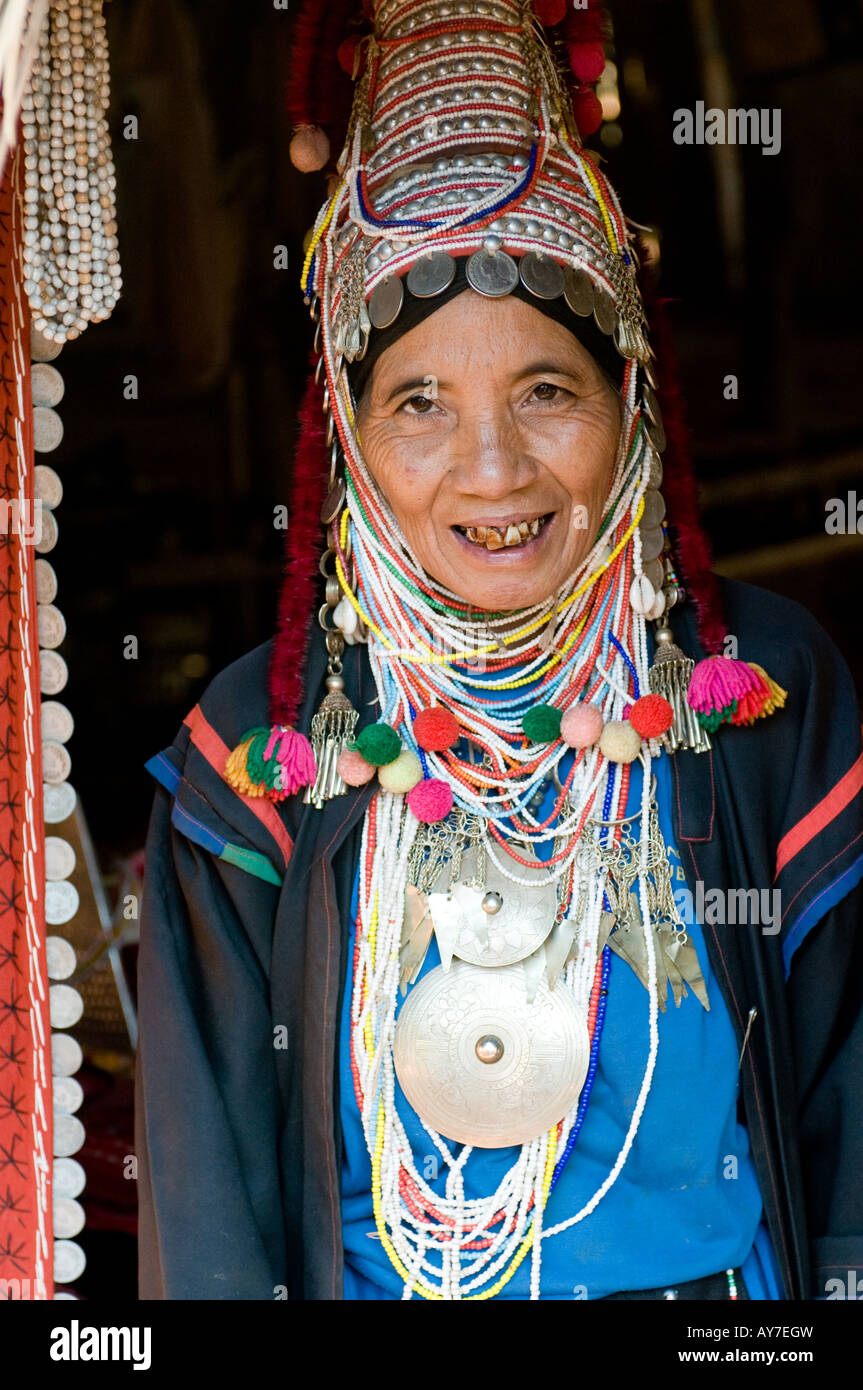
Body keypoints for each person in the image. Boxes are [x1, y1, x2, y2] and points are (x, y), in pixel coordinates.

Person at [135, 0, 863, 1301]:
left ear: (630, 399)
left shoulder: (761, 703)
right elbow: (211, 1239)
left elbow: (852, 1149)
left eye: (546, 389)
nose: (492, 470)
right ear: (347, 433)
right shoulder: (260, 756)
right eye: (419, 400)